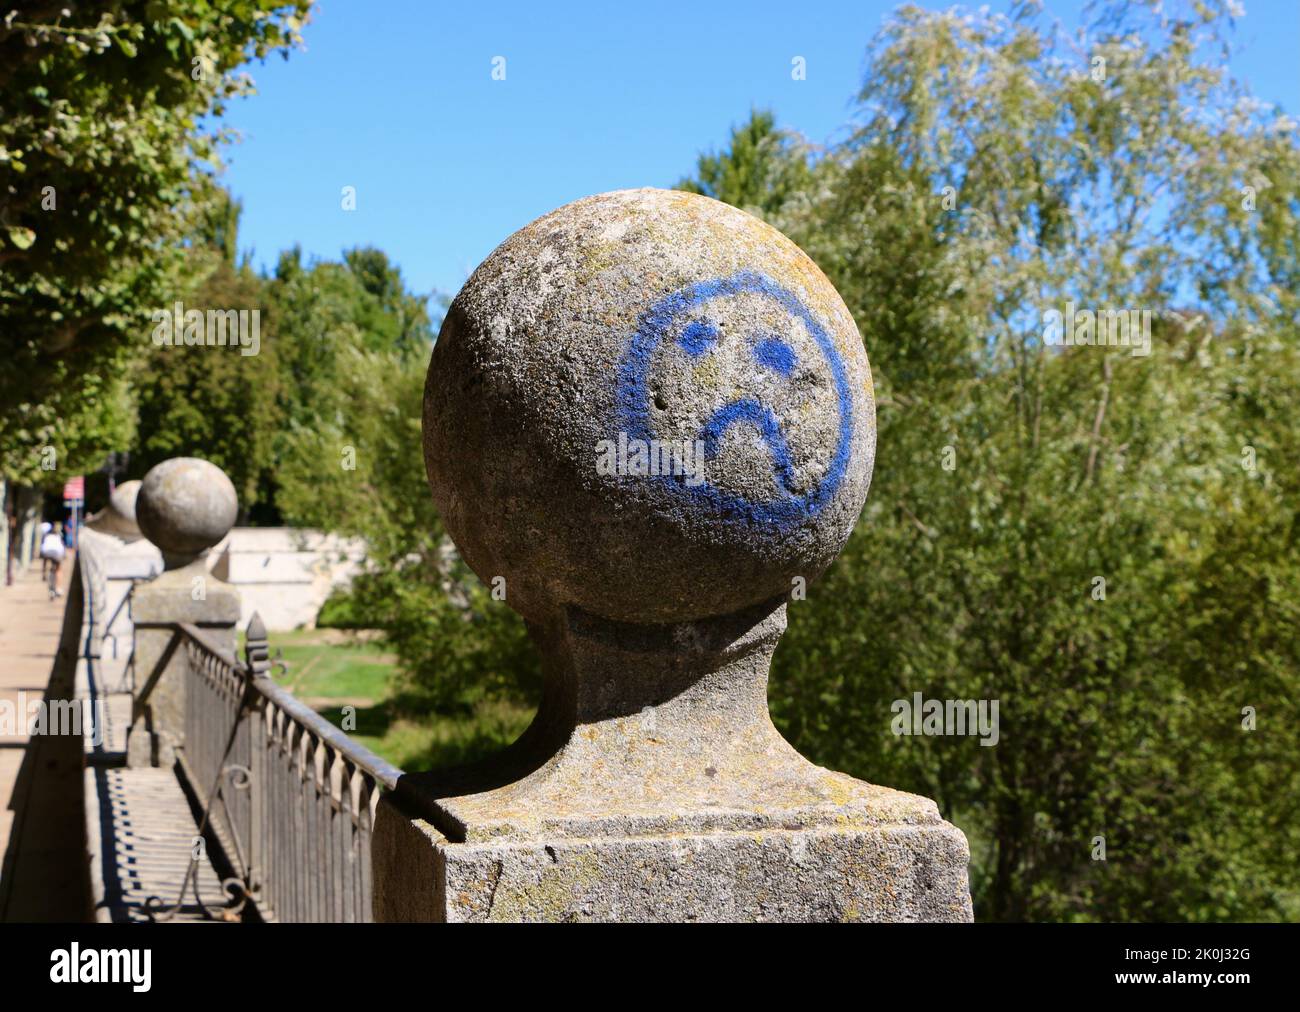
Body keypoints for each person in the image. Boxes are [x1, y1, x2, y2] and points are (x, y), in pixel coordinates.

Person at [40, 522, 66, 599]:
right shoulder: (59, 535)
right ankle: (58, 588)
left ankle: (46, 576)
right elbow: (62, 547)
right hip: (57, 552)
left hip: (46, 551)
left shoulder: (46, 536)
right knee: (59, 569)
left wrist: (43, 573)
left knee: (46, 562)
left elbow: (43, 548)